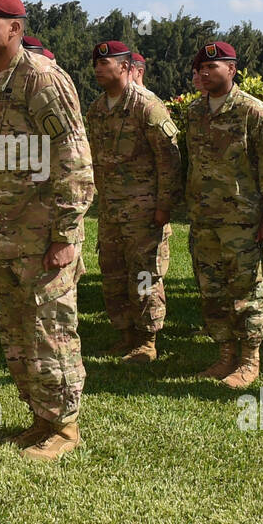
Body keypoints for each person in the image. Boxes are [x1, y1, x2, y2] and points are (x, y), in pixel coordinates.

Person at [0, 0, 95, 461]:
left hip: (43, 233)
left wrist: (66, 233)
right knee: (19, 331)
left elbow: (74, 158)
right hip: (6, 232)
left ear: (16, 30)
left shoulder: (41, 79)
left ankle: (65, 428)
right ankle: (41, 417)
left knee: (51, 328)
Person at [185, 40, 263, 388]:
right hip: (204, 221)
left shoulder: (254, 113)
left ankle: (249, 360)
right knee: (212, 291)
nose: (205, 73)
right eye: (201, 68)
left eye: (212, 67)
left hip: (243, 223)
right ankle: (225, 354)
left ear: (231, 70)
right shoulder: (195, 113)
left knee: (245, 292)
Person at [84, 41, 182, 364]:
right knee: (112, 272)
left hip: (144, 212)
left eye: (105, 62)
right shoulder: (97, 109)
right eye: (96, 63)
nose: (98, 67)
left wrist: (164, 206)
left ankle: (147, 340)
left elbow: (169, 160)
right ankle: (125, 333)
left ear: (126, 67)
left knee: (144, 275)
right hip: (111, 211)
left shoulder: (147, 106)